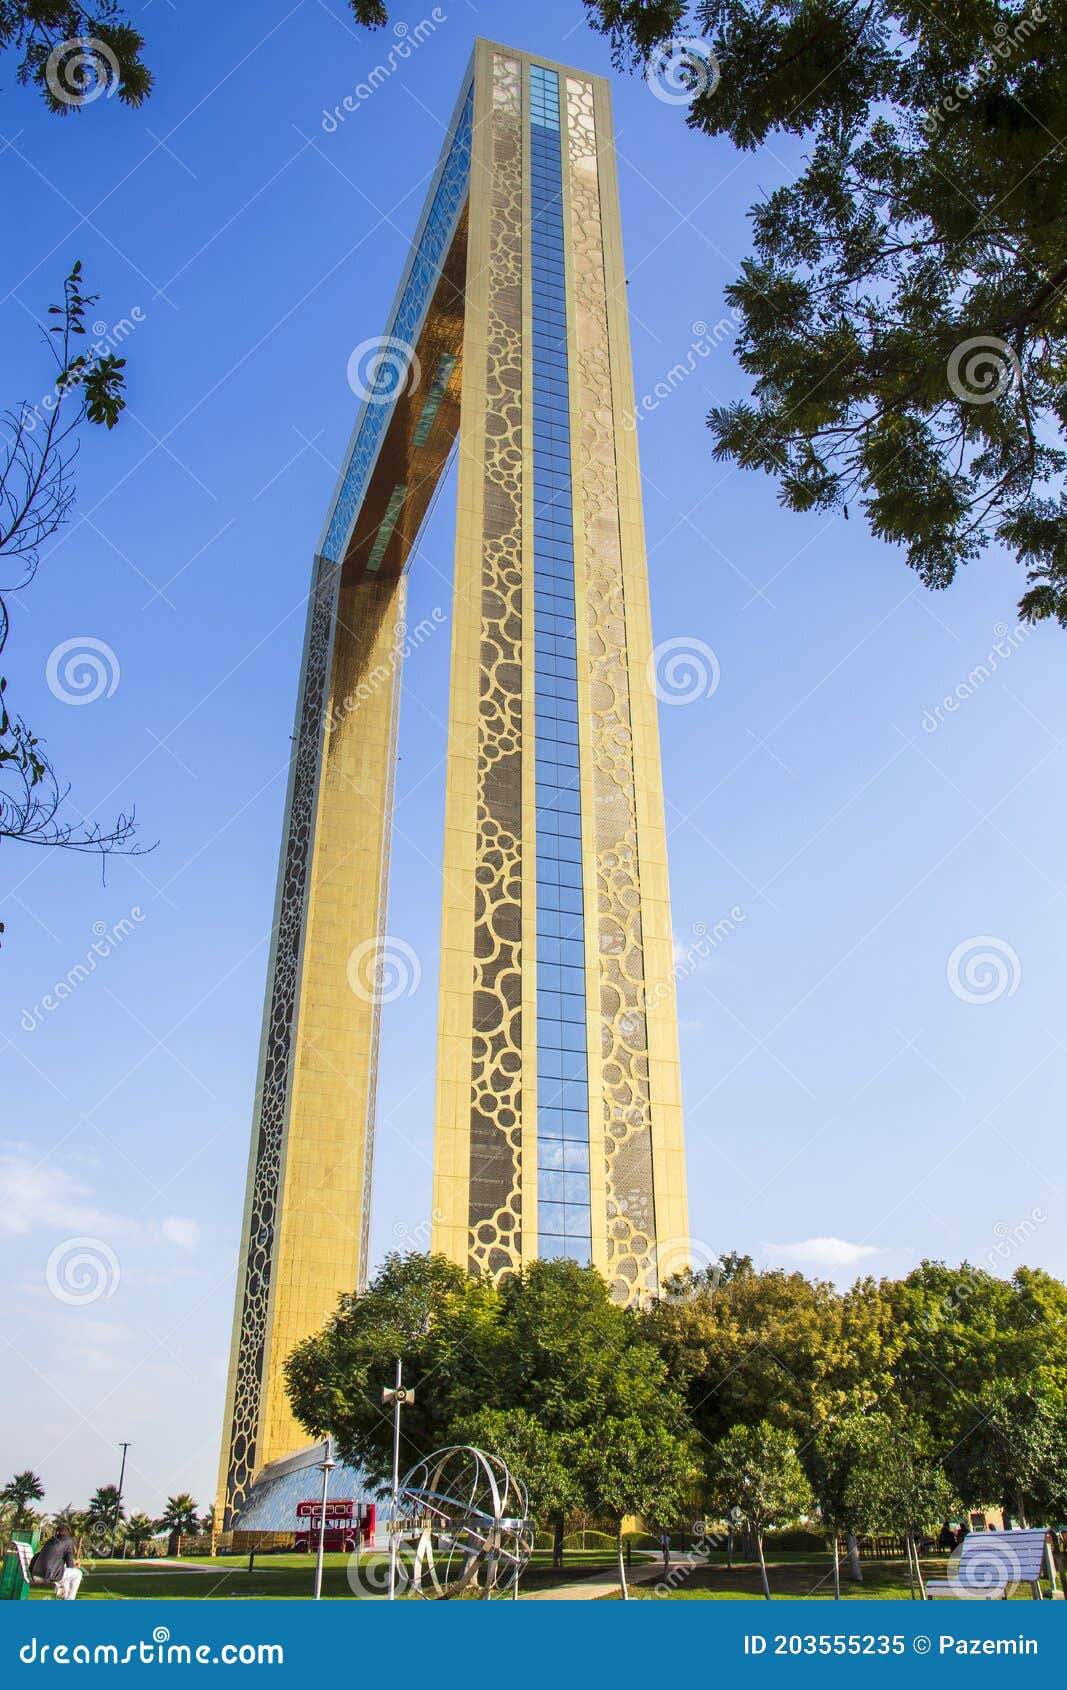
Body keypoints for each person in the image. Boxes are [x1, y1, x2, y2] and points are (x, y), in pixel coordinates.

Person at [30, 1525, 82, 1600]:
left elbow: (45, 1558)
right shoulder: (68, 1541)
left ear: (57, 1532)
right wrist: (75, 1564)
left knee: (65, 1578)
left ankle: (64, 1597)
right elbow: (69, 1565)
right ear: (68, 1533)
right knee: (78, 1574)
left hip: (37, 1575)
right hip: (50, 1575)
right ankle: (70, 1599)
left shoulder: (50, 1541)